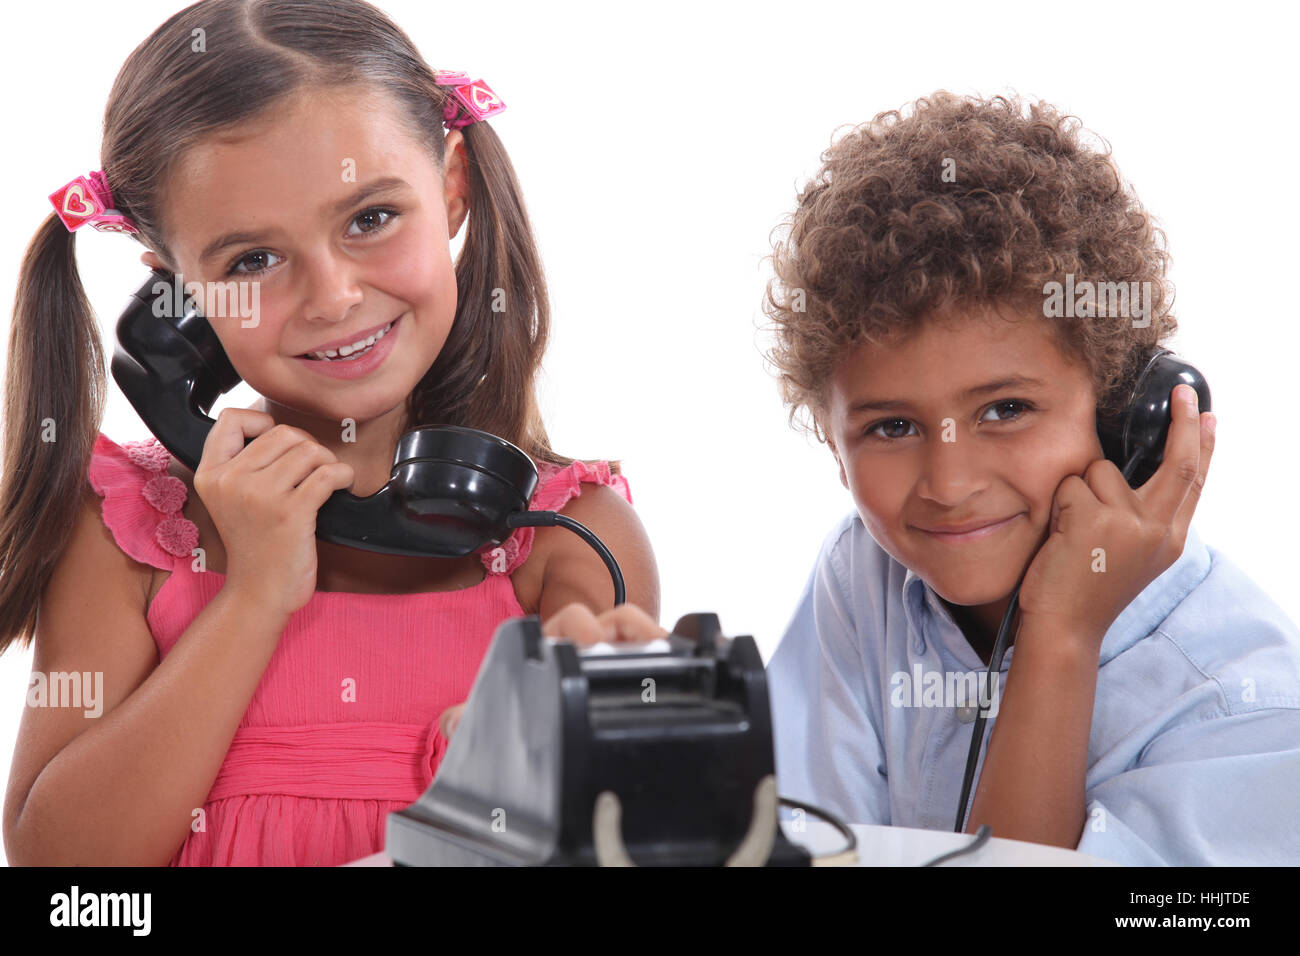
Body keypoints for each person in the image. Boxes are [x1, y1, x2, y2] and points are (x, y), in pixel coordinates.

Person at [0, 0, 663, 867]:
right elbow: (66, 876)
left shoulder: (566, 540)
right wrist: (254, 595)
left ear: (452, 187)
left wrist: (601, 715)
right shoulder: (132, 535)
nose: (333, 296)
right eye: (251, 261)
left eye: (371, 218)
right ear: (178, 299)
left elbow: (618, 834)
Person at [760, 91, 1300, 865]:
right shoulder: (864, 578)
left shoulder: (1245, 713)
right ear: (831, 436)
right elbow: (797, 845)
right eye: (892, 428)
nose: (948, 483)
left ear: (1123, 414)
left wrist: (1061, 638)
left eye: (1005, 410)